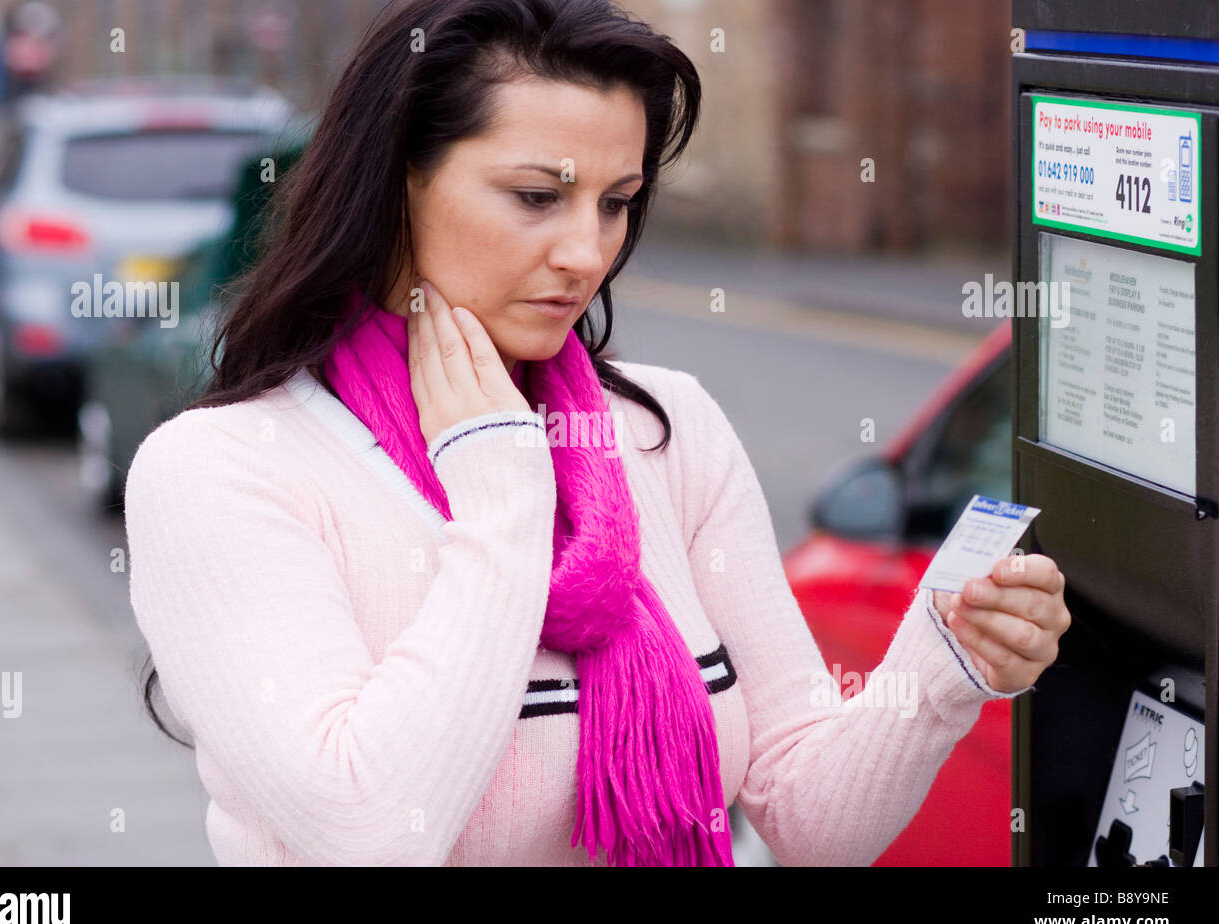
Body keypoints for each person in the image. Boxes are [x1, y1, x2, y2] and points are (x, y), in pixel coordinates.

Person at [124, 0, 1071, 867]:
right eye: (538, 196)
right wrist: (501, 493)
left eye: (616, 202)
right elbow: (366, 829)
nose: (587, 253)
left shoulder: (670, 432)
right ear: (395, 183)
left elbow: (809, 822)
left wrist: (944, 663)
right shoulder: (225, 471)